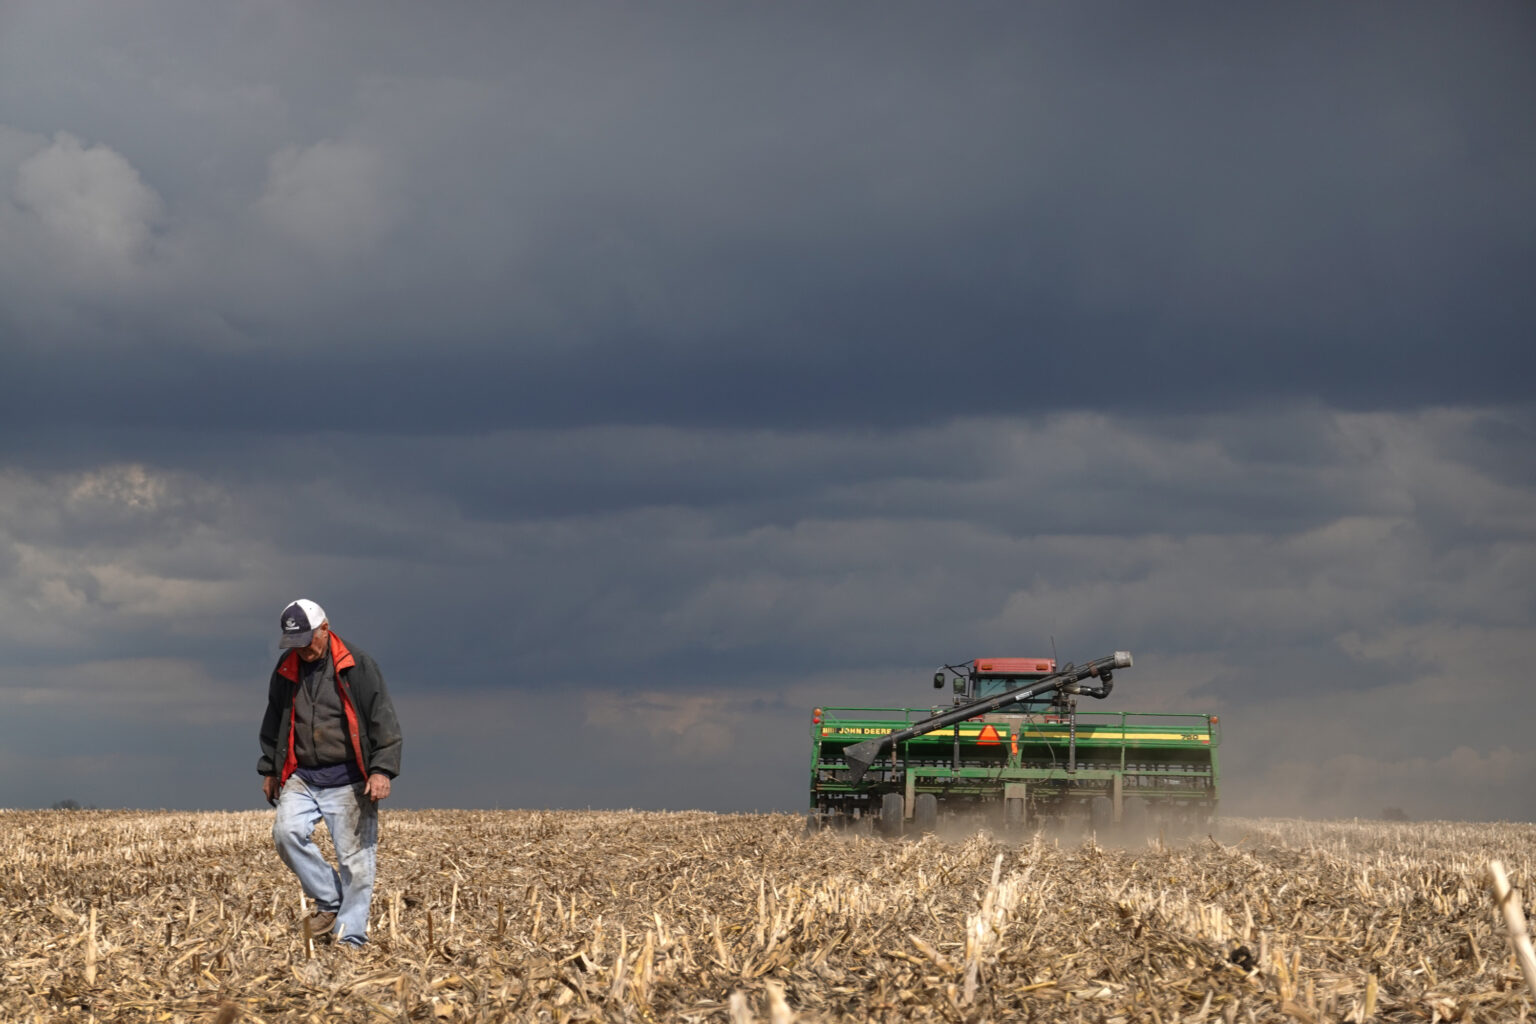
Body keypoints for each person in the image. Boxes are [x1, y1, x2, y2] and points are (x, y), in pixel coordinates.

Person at [257, 599, 402, 948]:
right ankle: (330, 899)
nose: (303, 650)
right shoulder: (286, 667)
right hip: (303, 775)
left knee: (357, 863)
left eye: (308, 641)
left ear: (325, 629)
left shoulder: (358, 664)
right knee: (285, 833)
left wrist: (381, 769)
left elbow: (382, 717)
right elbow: (275, 719)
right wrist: (271, 769)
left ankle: (349, 939)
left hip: (351, 777)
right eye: (295, 644)